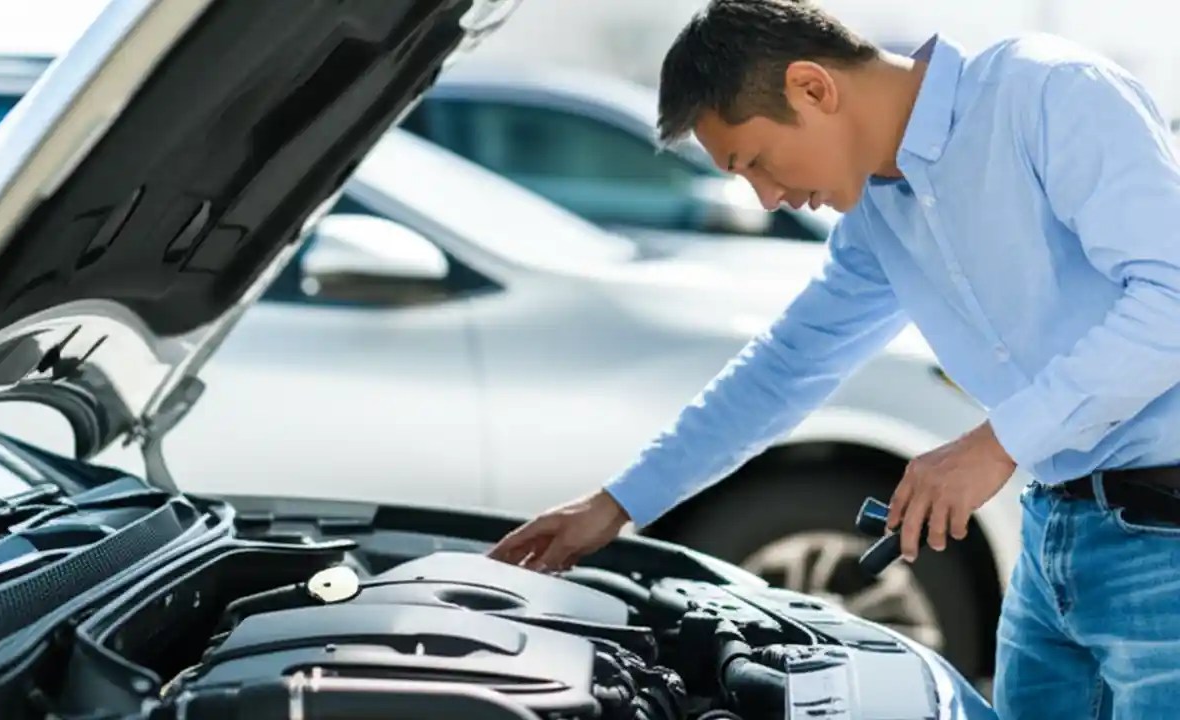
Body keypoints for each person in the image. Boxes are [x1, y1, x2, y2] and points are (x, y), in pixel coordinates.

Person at [486, 0, 1180, 716]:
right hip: (1055, 532)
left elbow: (1173, 297)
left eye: (754, 161)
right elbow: (786, 367)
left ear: (813, 88)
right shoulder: (878, 216)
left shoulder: (1049, 92)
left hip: (1166, 544)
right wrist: (615, 505)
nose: (766, 195)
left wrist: (997, 442)